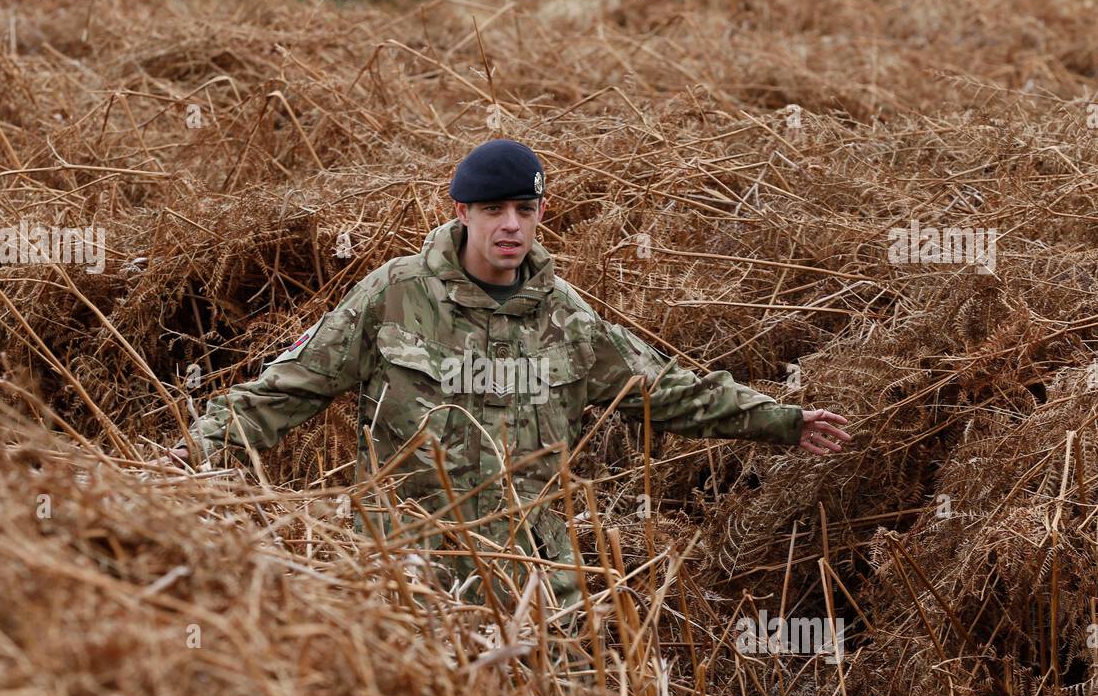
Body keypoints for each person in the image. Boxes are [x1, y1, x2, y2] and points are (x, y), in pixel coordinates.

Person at [163, 138, 851, 615]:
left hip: (534, 578)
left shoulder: (566, 317)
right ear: (461, 212)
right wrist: (192, 456)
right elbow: (288, 390)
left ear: (542, 213)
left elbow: (664, 390)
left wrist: (782, 420)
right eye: (494, 210)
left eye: (525, 210)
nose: (511, 225)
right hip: (404, 572)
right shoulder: (393, 296)